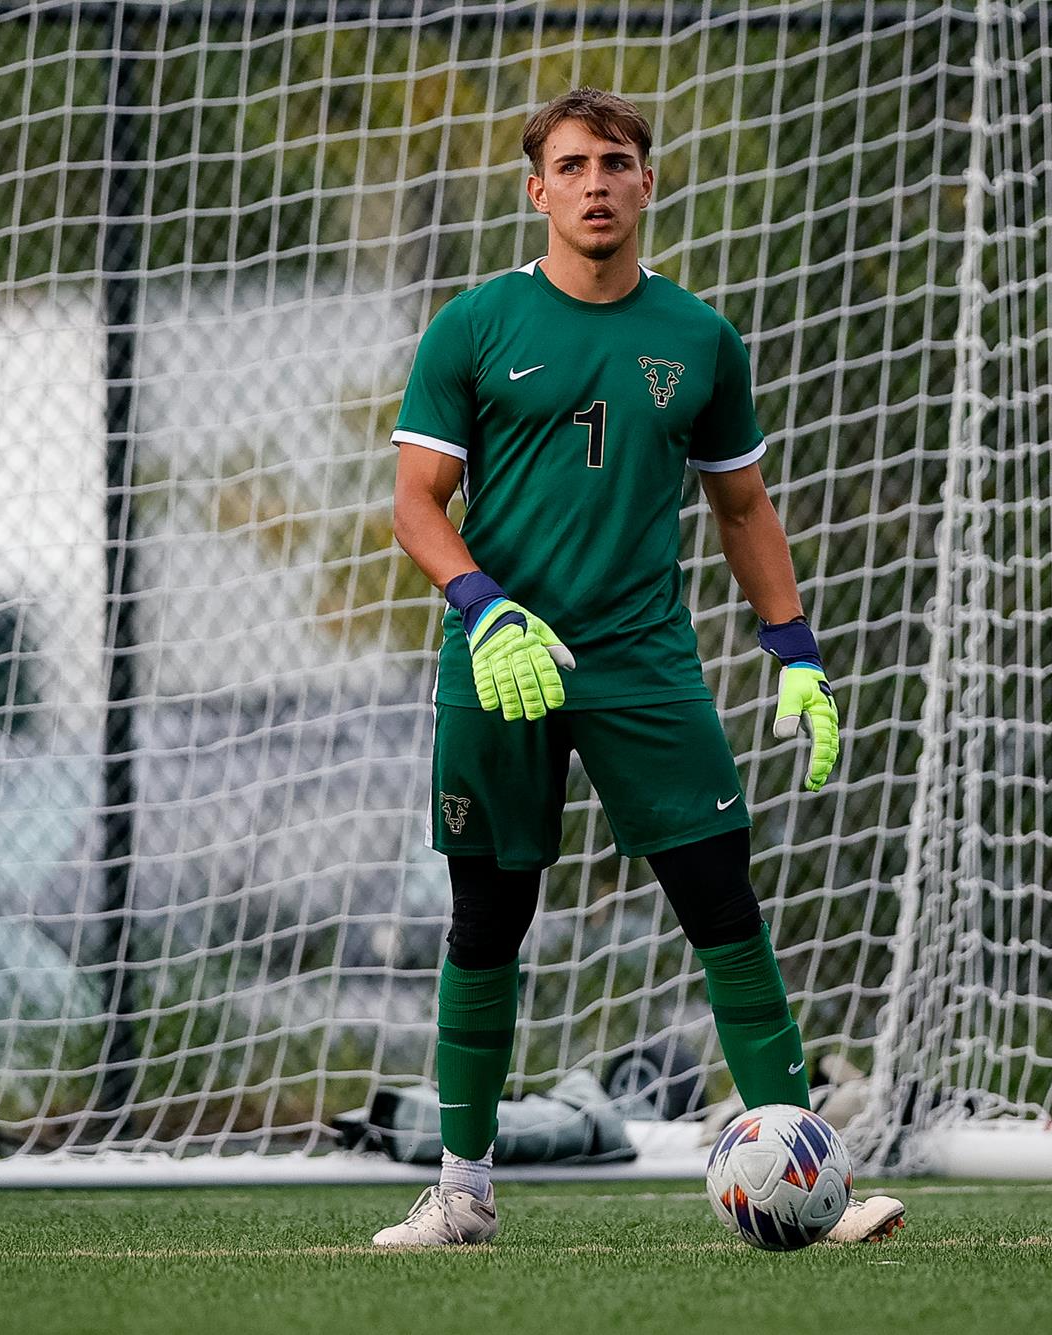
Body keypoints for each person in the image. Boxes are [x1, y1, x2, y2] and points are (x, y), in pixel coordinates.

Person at [375, 88, 904, 1248]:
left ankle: (806, 1176)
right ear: (538, 190)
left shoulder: (698, 338)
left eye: (616, 162)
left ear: (648, 183)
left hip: (645, 667)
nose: (596, 182)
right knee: (486, 923)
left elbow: (742, 504)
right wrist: (483, 607)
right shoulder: (472, 327)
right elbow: (416, 505)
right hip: (498, 663)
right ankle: (462, 1195)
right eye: (572, 165)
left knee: (724, 907)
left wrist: (796, 654)